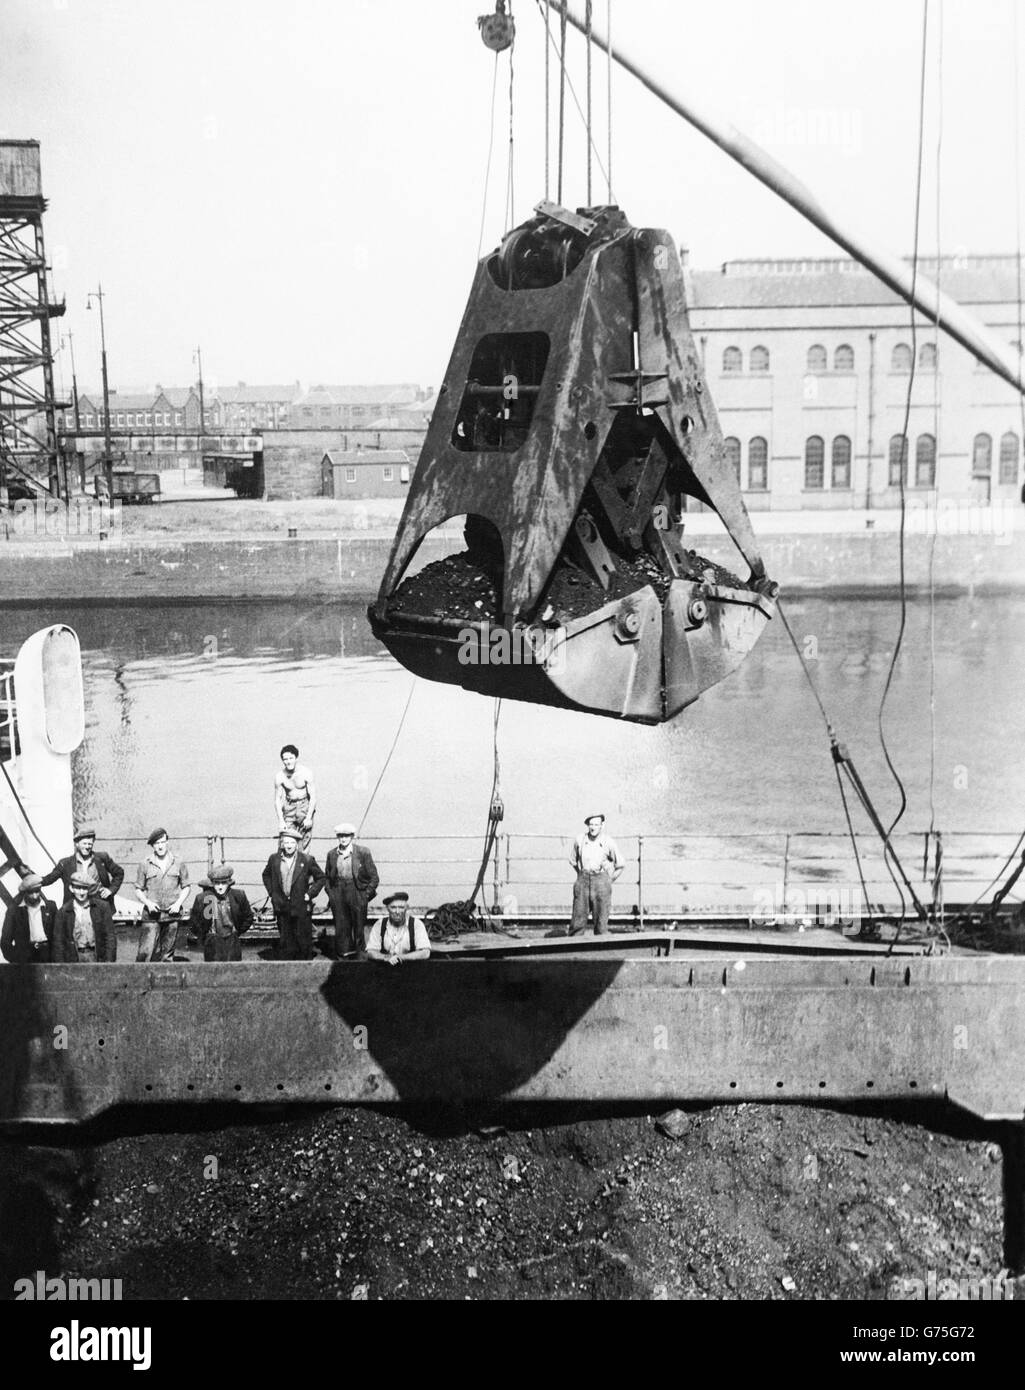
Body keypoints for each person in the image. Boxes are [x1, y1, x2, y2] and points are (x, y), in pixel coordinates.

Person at [261, 826, 326, 960]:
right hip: (281, 906)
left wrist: (310, 893)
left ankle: (305, 968)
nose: (289, 846)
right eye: (286, 842)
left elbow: (321, 878)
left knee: (303, 942)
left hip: (301, 906)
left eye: (292, 843)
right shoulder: (274, 859)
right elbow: (266, 875)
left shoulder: (307, 860)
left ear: (297, 844)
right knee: (286, 941)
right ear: (282, 844)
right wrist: (272, 893)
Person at [135, 828, 191, 962]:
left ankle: (164, 981)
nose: (160, 846)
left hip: (172, 915)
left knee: (167, 955)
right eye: (156, 843)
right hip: (151, 916)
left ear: (167, 842)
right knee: (145, 953)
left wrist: (178, 904)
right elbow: (138, 889)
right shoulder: (145, 864)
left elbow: (186, 886)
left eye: (162, 842)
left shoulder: (178, 862)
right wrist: (148, 903)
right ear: (152, 846)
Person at [325, 822, 379, 957]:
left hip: (356, 890)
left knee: (359, 925)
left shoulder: (362, 852)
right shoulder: (332, 854)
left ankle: (360, 955)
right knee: (341, 925)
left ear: (352, 837)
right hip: (338, 891)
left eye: (346, 836)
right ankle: (343, 955)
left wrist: (365, 895)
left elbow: (374, 877)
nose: (343, 839)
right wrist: (331, 894)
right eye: (340, 836)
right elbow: (327, 876)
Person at [569, 813, 624, 936]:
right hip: (583, 880)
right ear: (588, 825)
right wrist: (580, 874)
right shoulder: (579, 840)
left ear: (602, 826)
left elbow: (620, 865)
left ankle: (601, 950)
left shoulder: (608, 842)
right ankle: (573, 949)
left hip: (601, 882)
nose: (593, 828)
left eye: (596, 824)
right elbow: (573, 861)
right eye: (591, 824)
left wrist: (609, 880)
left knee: (601, 922)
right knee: (577, 921)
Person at [39, 828, 124, 905]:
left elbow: (119, 873)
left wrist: (110, 890)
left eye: (90, 844)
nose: (87, 847)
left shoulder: (102, 858)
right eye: (84, 843)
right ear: (77, 844)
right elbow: (48, 879)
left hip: (99, 906)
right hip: (75, 907)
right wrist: (30, 878)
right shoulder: (65, 863)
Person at [189, 864, 253, 962]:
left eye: (223, 883)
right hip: (212, 941)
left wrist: (237, 932)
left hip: (232, 940)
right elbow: (194, 922)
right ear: (212, 884)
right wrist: (206, 937)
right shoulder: (203, 898)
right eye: (216, 883)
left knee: (233, 971)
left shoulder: (238, 896)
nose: (220, 887)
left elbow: (248, 917)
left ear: (229, 883)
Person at [53, 872, 117, 962]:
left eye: (84, 888)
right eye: (78, 888)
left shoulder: (102, 908)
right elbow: (58, 943)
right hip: (74, 958)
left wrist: (109, 962)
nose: (81, 892)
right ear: (71, 888)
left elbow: (110, 937)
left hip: (96, 956)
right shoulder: (63, 912)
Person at [1, 873, 57, 963]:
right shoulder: (14, 911)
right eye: (31, 892)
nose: (35, 896)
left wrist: (56, 957)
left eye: (37, 891)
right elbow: (5, 941)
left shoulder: (50, 907)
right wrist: (15, 959)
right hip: (25, 957)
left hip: (47, 955)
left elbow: (58, 935)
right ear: (25, 892)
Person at [365, 891, 431, 965]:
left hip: (411, 970)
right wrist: (386, 958)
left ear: (407, 908)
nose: (397, 911)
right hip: (385, 969)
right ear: (387, 908)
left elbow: (425, 953)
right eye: (393, 907)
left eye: (401, 907)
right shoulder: (379, 925)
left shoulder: (417, 925)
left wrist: (400, 957)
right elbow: (370, 952)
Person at [274, 744, 317, 851]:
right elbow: (277, 800)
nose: (288, 761)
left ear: (296, 758)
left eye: (291, 758)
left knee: (304, 841)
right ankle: (285, 866)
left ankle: (303, 866)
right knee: (285, 841)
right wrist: (281, 821)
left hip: (304, 806)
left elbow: (313, 797)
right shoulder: (280, 776)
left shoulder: (306, 773)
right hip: (289, 808)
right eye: (285, 759)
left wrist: (309, 817)